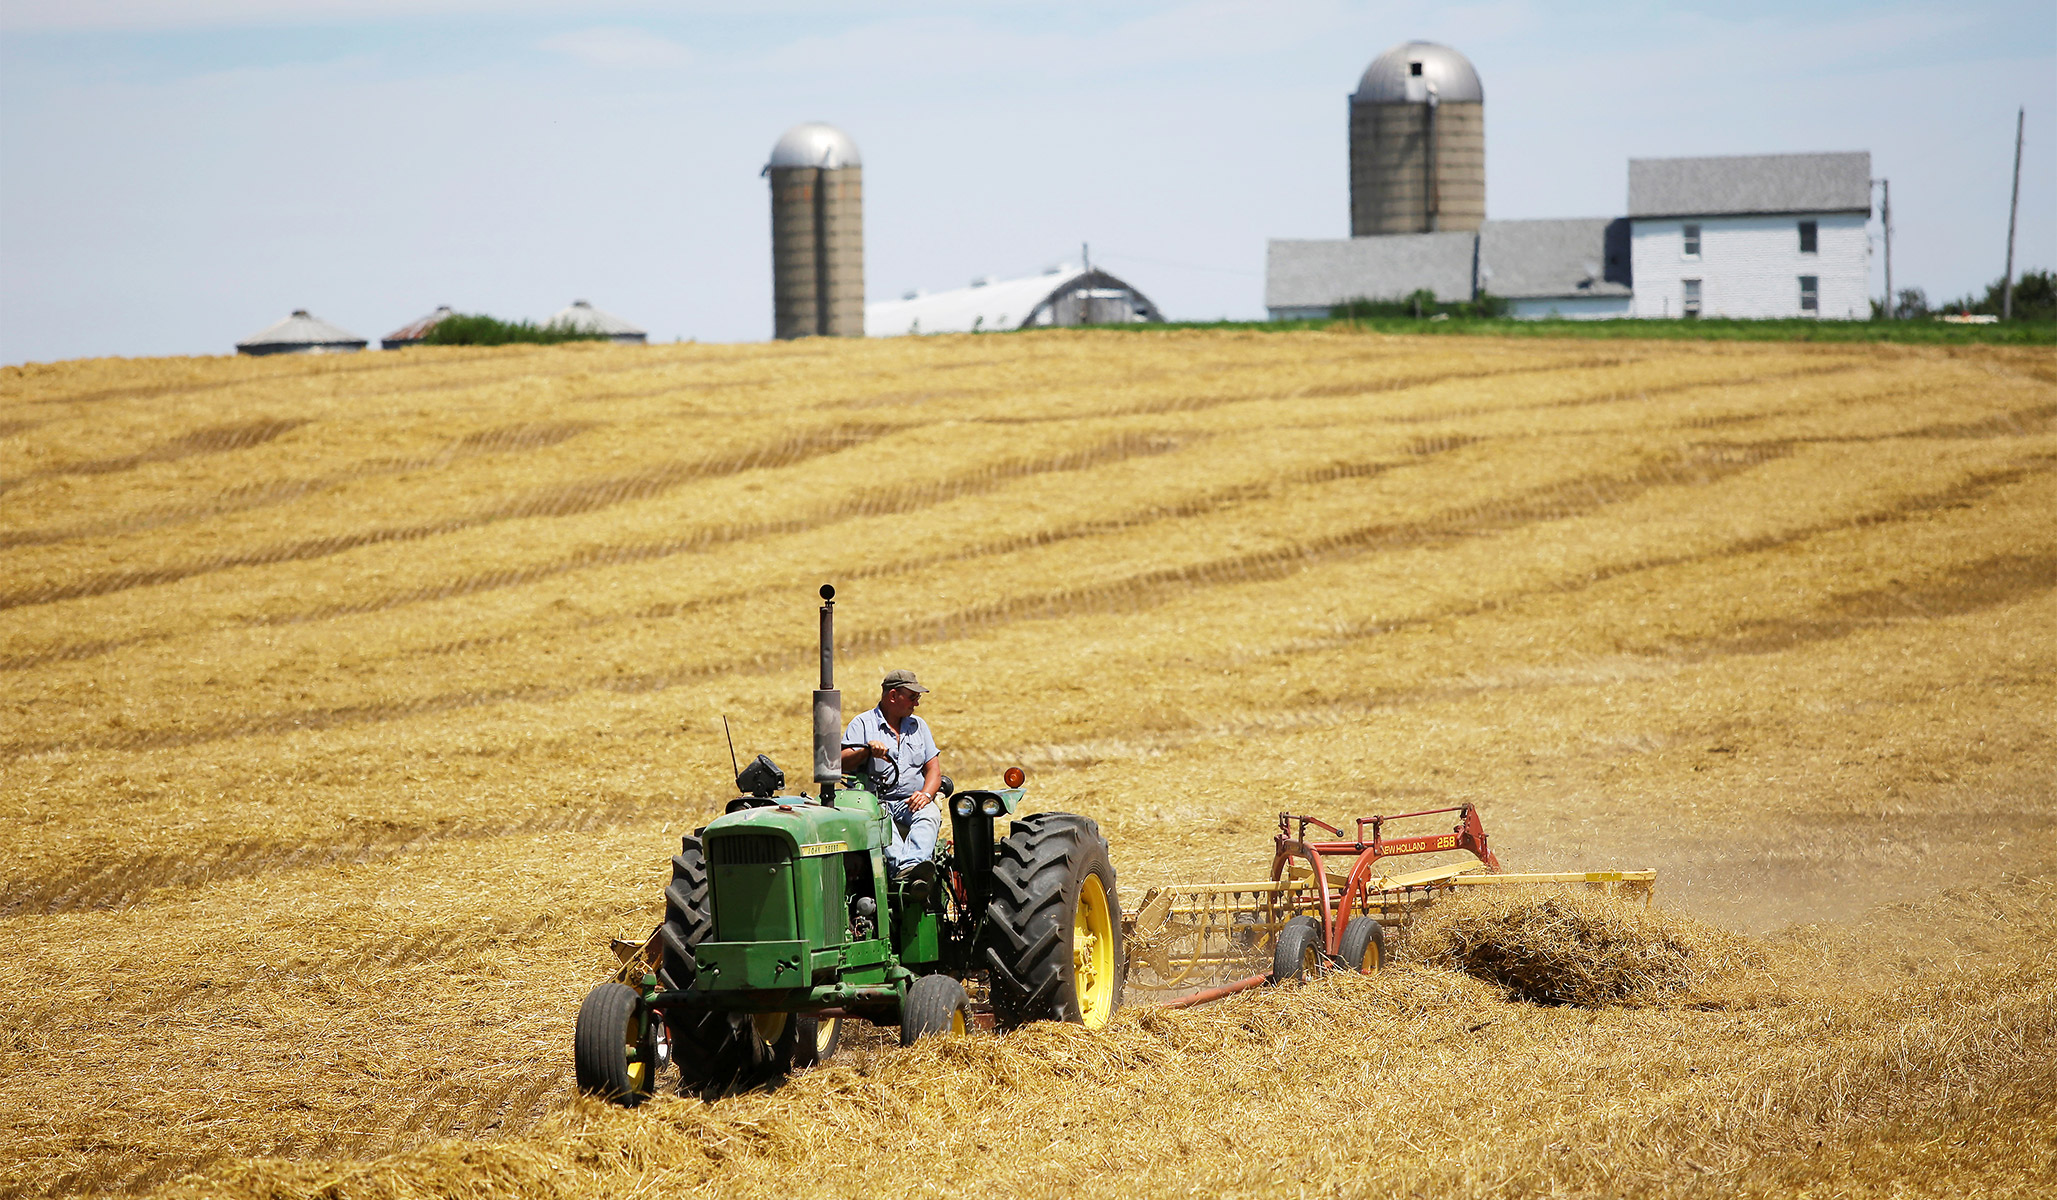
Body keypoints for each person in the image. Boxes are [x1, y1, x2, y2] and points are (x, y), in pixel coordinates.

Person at [841, 669, 943, 888]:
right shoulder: (862, 724)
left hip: (910, 801)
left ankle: (913, 867)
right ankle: (904, 872)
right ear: (893, 695)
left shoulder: (919, 726)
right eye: (912, 697)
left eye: (918, 697)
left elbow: (934, 771)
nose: (916, 703)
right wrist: (866, 751)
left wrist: (926, 795)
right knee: (880, 819)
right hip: (875, 803)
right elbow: (841, 762)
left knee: (930, 812)